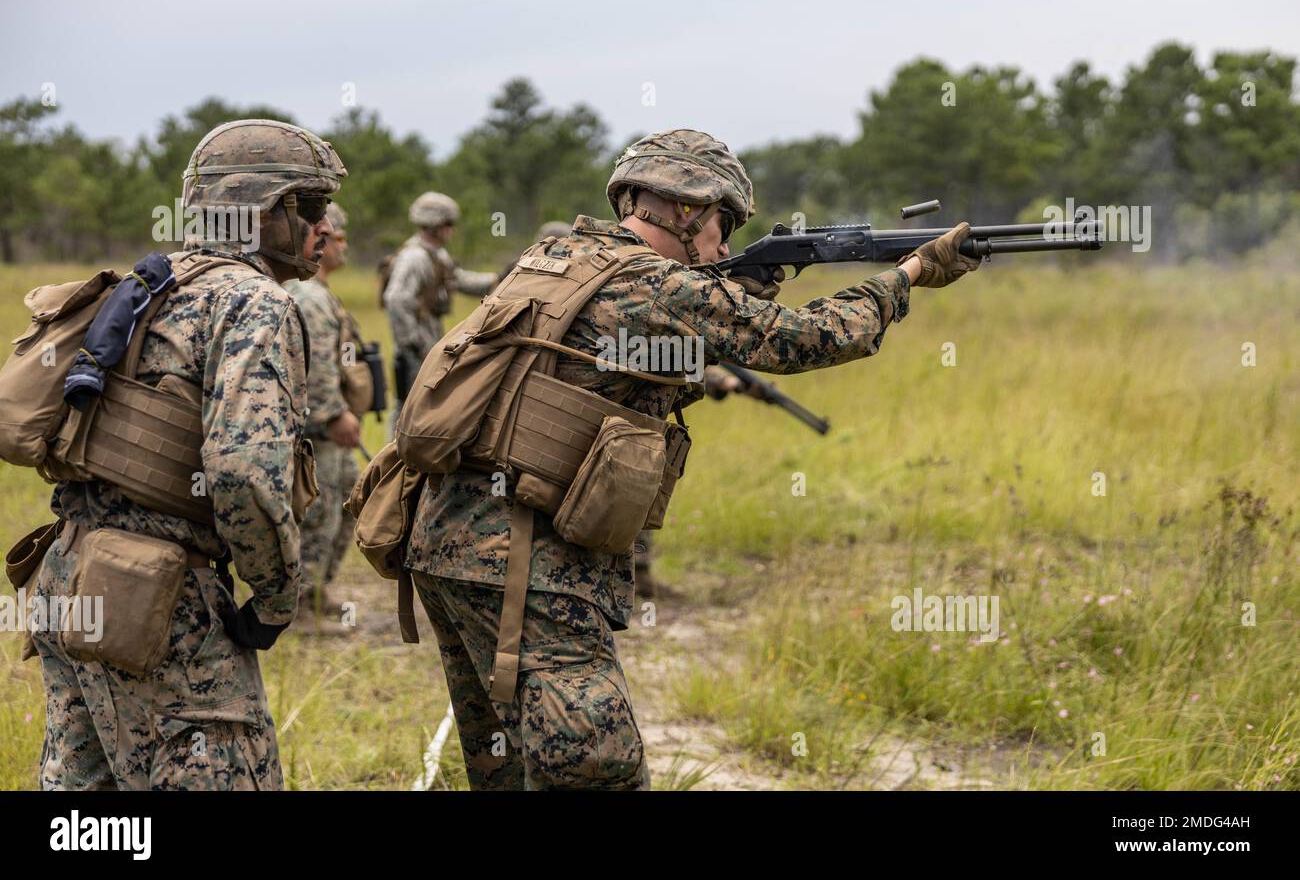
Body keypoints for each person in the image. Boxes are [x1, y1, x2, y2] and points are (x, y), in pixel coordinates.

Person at [400, 128, 978, 790]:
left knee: (507, 769)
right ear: (685, 209)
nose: (727, 246)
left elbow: (626, 359)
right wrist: (907, 276)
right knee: (598, 771)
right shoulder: (656, 285)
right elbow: (810, 339)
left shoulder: (556, 257)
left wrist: (743, 290)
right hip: (524, 560)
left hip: (444, 540)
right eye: (723, 224)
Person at [27, 119, 346, 790]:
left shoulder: (149, 285)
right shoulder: (253, 300)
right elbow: (242, 471)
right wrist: (279, 592)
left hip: (65, 575)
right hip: (159, 594)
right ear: (266, 212)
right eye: (311, 206)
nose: (325, 225)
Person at [285, 202, 370, 621]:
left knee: (343, 503)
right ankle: (301, 601)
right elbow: (316, 364)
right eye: (335, 237)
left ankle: (316, 590)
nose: (342, 244)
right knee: (319, 512)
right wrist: (334, 414)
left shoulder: (317, 293)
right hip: (317, 431)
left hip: (323, 428)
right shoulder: (310, 297)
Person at [383, 191, 498, 428]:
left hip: (429, 348)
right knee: (407, 411)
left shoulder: (437, 255)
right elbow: (395, 299)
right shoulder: (414, 258)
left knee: (428, 410)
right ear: (435, 225)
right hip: (414, 353)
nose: (452, 231)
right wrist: (412, 344)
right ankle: (394, 460)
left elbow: (458, 280)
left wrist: (496, 280)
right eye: (448, 225)